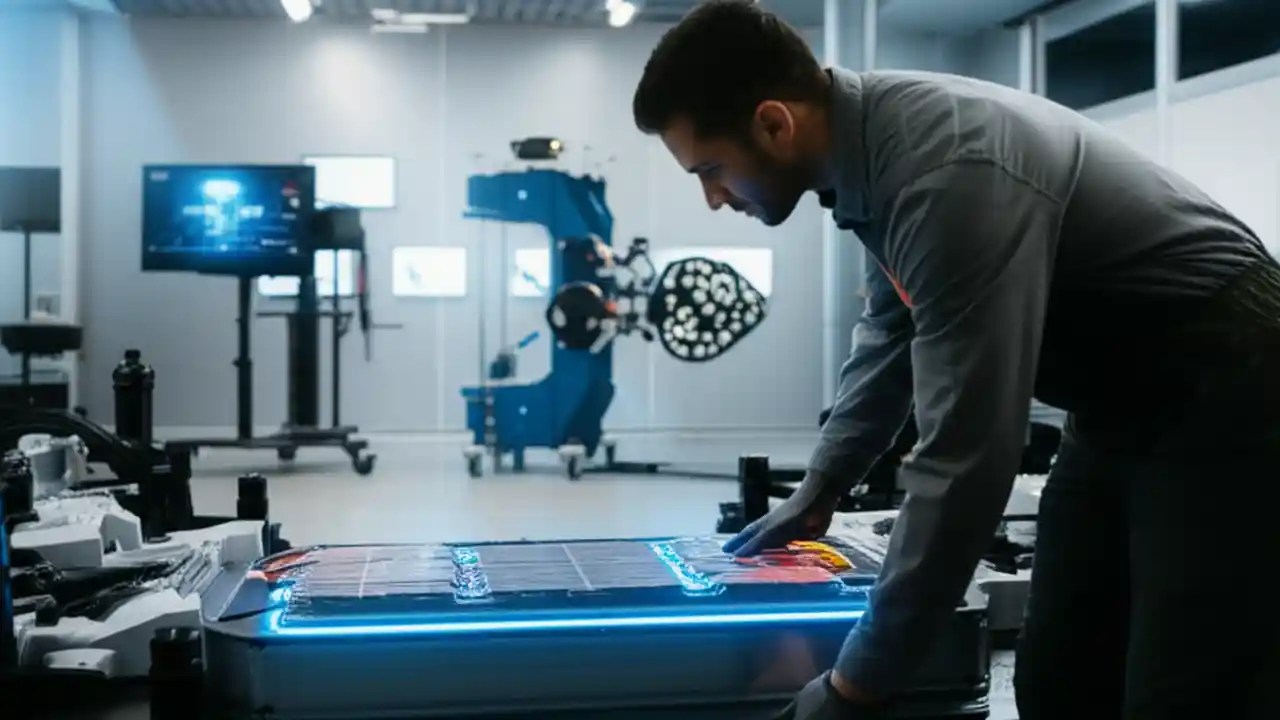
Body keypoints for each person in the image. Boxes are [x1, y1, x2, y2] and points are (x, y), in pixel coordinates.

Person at [632, 2, 1280, 719]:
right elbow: (890, 333)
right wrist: (821, 488)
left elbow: (967, 457)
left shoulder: (943, 170)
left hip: (1235, 378)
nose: (714, 199)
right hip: (1118, 401)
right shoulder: (872, 153)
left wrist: (855, 688)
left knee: (1185, 688)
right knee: (1062, 676)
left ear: (774, 123)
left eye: (712, 170)